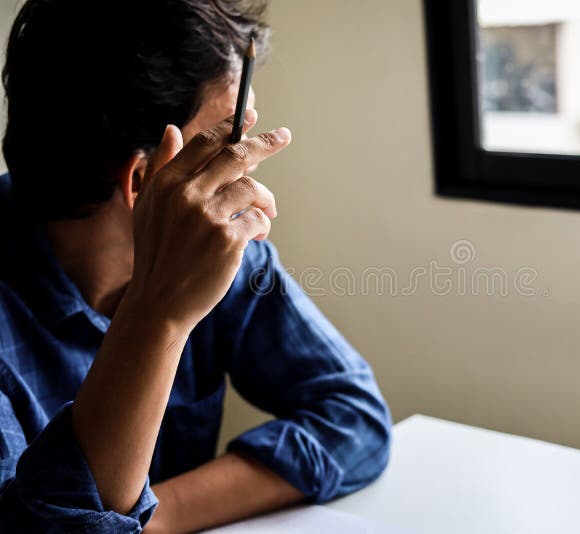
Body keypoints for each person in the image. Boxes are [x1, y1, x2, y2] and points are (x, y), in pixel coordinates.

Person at [0, 1, 391, 532]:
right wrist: (159, 316)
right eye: (229, 148)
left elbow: (355, 418)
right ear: (143, 181)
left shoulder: (221, 256)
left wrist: (155, 517)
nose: (246, 182)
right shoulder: (194, 250)